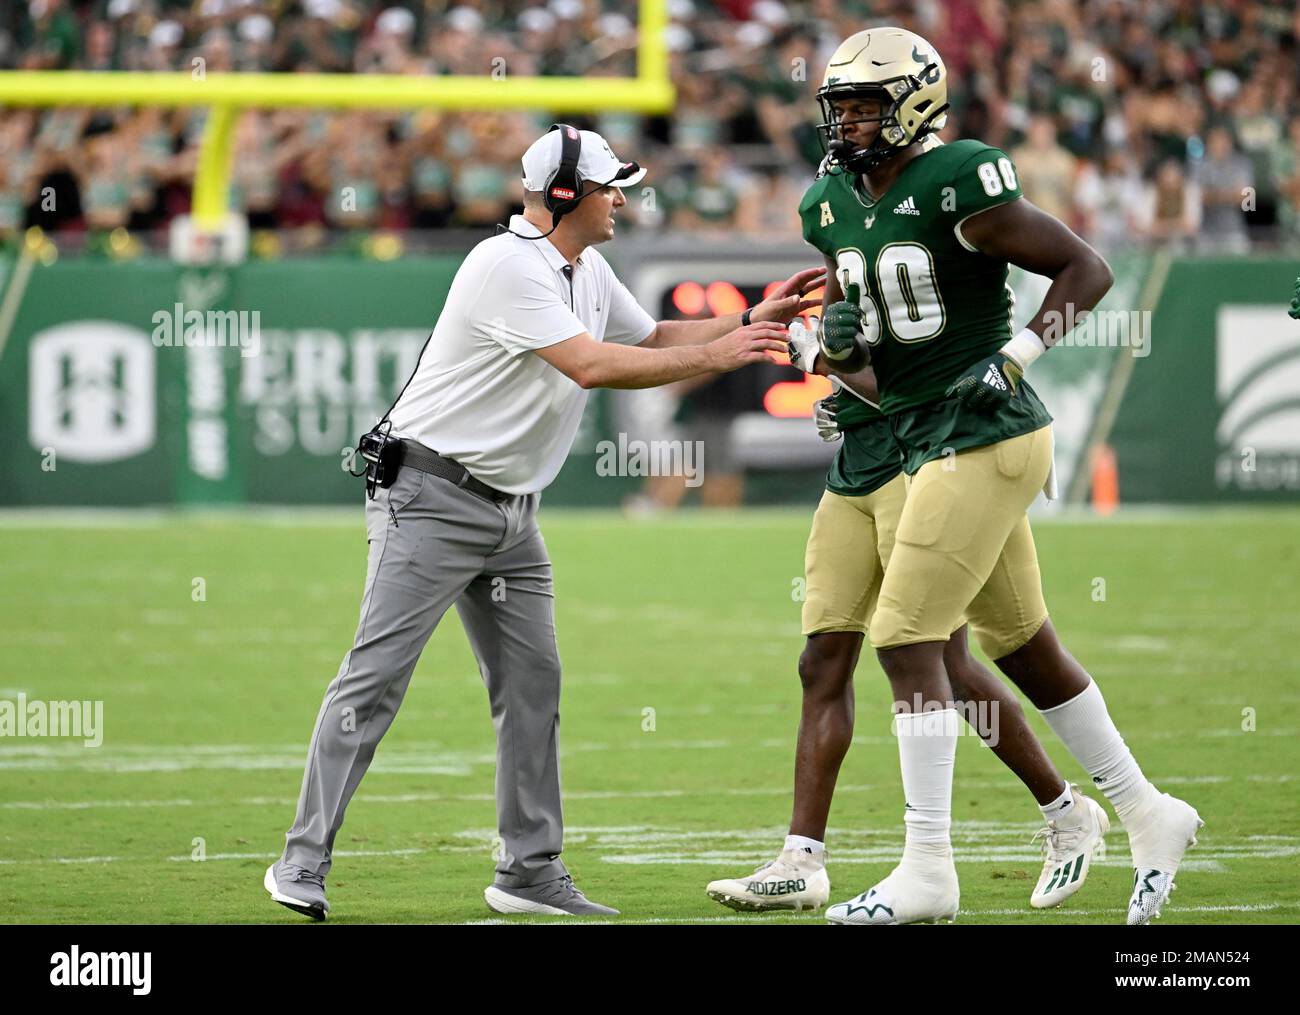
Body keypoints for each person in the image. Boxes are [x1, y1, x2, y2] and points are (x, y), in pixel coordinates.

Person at [264, 124, 821, 920]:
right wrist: (726, 355)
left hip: (511, 512)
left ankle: (527, 869)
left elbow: (654, 336)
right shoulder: (503, 264)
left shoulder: (582, 266)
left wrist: (748, 319)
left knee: (534, 684)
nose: (622, 199)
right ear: (565, 197)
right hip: (431, 496)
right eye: (609, 187)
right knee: (375, 679)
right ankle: (301, 862)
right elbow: (592, 364)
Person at [804, 28, 1201, 926]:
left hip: (984, 432)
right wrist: (840, 362)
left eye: (866, 104)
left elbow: (1084, 268)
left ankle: (928, 868)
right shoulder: (828, 201)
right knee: (1023, 647)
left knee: (907, 637)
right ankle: (1147, 810)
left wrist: (1020, 353)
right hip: (922, 436)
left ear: (912, 103)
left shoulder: (959, 179)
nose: (850, 121)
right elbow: (876, 353)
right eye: (843, 106)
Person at [704, 324, 1108, 915]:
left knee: (944, 659)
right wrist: (841, 393)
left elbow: (921, 386)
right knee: (821, 661)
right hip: (855, 472)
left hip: (924, 472)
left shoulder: (921, 265)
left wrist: (825, 362)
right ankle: (802, 861)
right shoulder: (848, 248)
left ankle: (1065, 810)